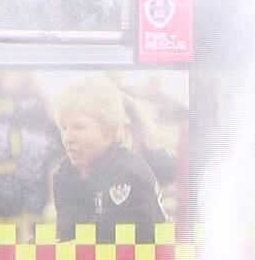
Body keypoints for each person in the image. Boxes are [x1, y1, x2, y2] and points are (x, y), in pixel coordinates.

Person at [50, 78, 169, 243]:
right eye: (64, 128)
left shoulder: (127, 173)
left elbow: (102, 242)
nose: (68, 138)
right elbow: (66, 236)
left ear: (108, 131)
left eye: (79, 127)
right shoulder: (64, 174)